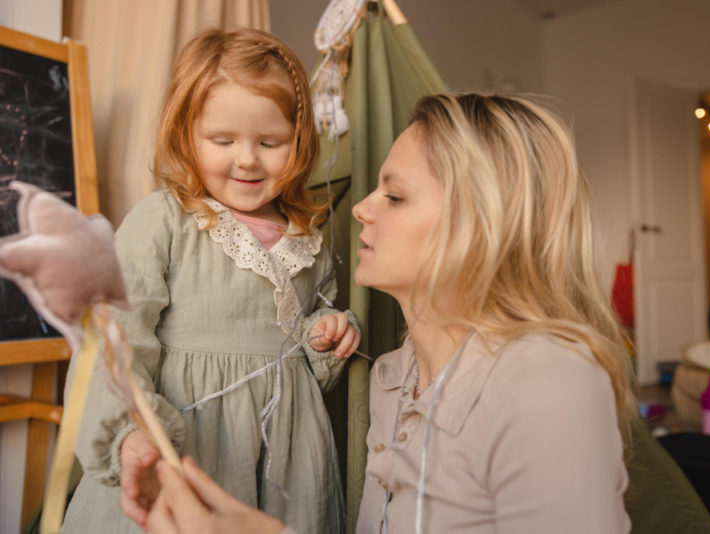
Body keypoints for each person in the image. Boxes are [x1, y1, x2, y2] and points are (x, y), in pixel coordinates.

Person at [145, 92, 636, 534]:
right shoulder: (392, 377)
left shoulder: (550, 381)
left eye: (395, 196)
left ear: (481, 227)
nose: (361, 208)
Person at [62, 28, 359, 534]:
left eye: (270, 142)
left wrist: (326, 335)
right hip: (184, 450)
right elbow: (112, 336)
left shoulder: (311, 240)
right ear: (187, 134)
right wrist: (128, 433)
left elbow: (308, 340)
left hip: (287, 463)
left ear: (301, 141)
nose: (247, 158)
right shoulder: (165, 220)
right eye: (223, 141)